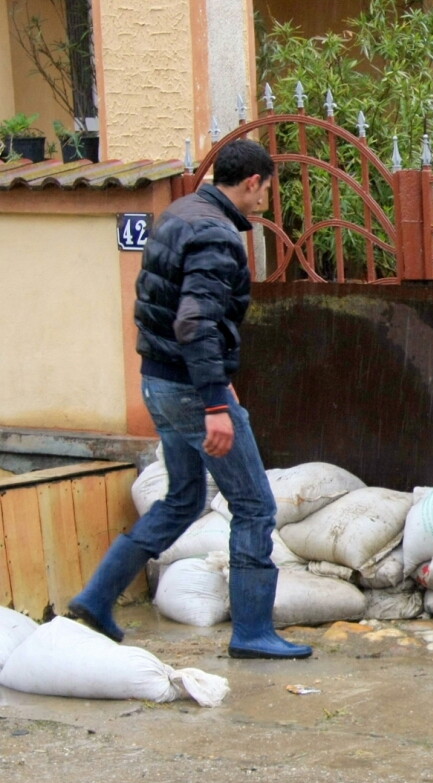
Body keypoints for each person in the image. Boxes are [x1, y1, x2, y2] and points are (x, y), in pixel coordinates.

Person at [66, 139, 312, 660]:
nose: (267, 197)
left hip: (157, 380)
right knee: (253, 506)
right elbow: (195, 321)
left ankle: (95, 598)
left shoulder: (180, 212)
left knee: (182, 499)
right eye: (268, 187)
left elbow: (166, 306)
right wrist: (215, 403)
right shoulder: (216, 234)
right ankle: (252, 632)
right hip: (189, 390)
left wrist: (220, 378)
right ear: (253, 183)